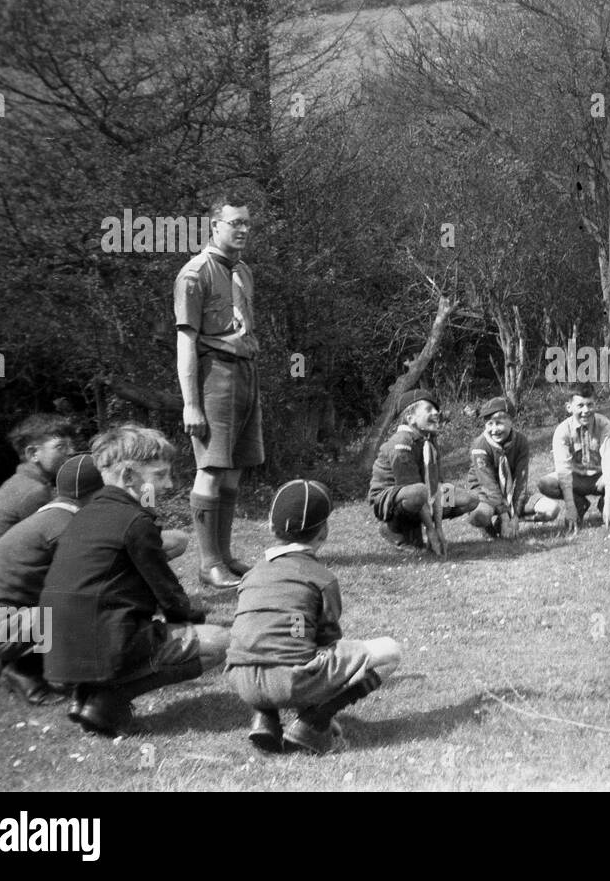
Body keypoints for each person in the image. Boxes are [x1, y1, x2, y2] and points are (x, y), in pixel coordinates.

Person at [40, 426, 229, 736]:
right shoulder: (135, 522)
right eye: (160, 475)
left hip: (56, 656)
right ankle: (108, 697)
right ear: (129, 477)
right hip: (103, 647)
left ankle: (87, 693)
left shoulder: (82, 517)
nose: (168, 484)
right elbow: (169, 595)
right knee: (218, 641)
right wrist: (192, 621)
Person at [227, 480, 402, 755]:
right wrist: (324, 708)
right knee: (390, 651)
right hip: (288, 681)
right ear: (324, 532)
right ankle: (312, 723)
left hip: (241, 679)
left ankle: (265, 718)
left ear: (272, 528)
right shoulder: (320, 578)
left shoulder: (250, 576)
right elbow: (324, 641)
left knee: (271, 637)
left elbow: (262, 630)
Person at [175, 192, 264, 589]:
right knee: (210, 470)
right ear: (214, 226)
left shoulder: (243, 271)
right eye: (235, 223)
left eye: (247, 223)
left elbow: (244, 328)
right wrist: (191, 404)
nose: (243, 229)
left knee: (233, 471)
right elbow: (186, 343)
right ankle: (208, 564)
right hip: (213, 378)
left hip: (245, 374)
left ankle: (225, 556)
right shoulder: (194, 274)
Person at [0, 454, 102, 706]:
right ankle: (25, 671)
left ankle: (20, 665)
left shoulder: (55, 515)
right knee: (89, 604)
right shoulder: (66, 527)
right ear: (95, 494)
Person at [368, 388, 478, 556]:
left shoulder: (429, 441)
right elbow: (415, 487)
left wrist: (439, 529)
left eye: (436, 409)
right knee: (419, 492)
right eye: (429, 409)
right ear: (410, 418)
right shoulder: (401, 443)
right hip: (391, 499)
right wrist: (430, 529)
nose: (436, 413)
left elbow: (436, 486)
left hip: (423, 493)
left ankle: (417, 530)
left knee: (469, 499)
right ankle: (392, 528)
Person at [0, 413, 75, 563]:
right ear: (33, 454)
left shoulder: (22, 483)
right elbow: (59, 548)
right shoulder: (33, 492)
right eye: (60, 447)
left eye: (71, 445)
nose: (71, 452)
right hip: (7, 582)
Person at [537, 383, 610, 533]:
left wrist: (609, 502)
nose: (586, 411)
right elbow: (563, 471)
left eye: (590, 405)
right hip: (574, 479)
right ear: (569, 407)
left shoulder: (605, 425)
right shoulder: (562, 431)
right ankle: (579, 504)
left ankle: (603, 506)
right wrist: (570, 507)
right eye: (580, 405)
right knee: (545, 483)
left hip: (599, 478)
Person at [467, 397, 559, 539]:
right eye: (489, 424)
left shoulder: (521, 441)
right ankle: (489, 531)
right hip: (484, 494)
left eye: (499, 423)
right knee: (478, 516)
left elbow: (521, 482)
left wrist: (515, 516)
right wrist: (505, 516)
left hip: (509, 494)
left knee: (552, 509)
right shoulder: (480, 445)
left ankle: (511, 523)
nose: (494, 429)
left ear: (511, 421)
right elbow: (489, 485)